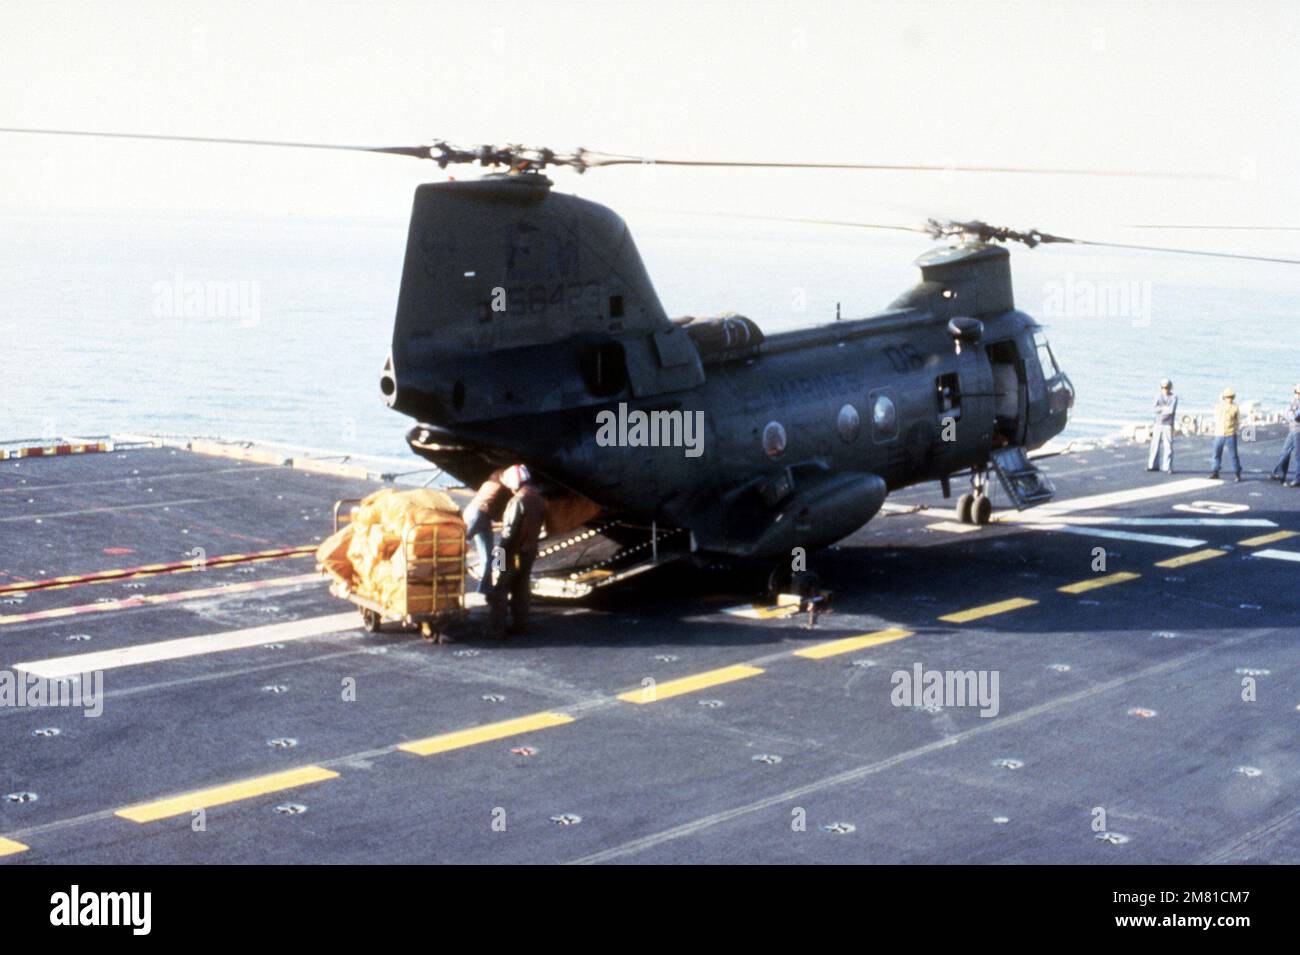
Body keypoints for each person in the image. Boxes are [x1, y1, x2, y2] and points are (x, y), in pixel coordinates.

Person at [488, 465, 545, 637]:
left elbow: (509, 533)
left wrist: (498, 557)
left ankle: (497, 629)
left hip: (513, 552)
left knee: (500, 590)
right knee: (521, 588)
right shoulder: (537, 498)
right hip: (530, 550)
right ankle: (522, 625)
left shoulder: (518, 501)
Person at [462, 467, 510, 595]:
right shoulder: (504, 475)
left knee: (487, 555)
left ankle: (485, 588)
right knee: (459, 546)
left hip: (482, 516)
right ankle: (451, 579)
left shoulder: (494, 476)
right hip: (477, 514)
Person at [1209, 387, 1242, 482]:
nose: (1229, 399)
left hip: (1230, 434)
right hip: (1220, 433)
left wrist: (1235, 430)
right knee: (1216, 454)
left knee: (1233, 455)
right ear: (1224, 398)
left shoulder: (1235, 408)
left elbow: (1238, 421)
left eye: (1230, 397)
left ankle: (1237, 473)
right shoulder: (1219, 406)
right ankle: (1215, 471)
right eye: (1227, 397)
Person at [1270, 384, 1300, 487]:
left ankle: (1298, 479)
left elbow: (1295, 416)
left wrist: (1290, 414)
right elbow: (1288, 413)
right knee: (1285, 452)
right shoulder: (1294, 402)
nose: (1296, 394)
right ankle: (1279, 473)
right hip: (1293, 429)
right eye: (1296, 392)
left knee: (1298, 456)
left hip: (1298, 430)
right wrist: (1290, 414)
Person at [1147, 378, 1177, 473]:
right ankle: (1152, 465)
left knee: (1168, 446)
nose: (1165, 389)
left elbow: (1171, 410)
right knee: (1154, 445)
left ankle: (1167, 467)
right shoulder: (1157, 396)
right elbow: (1154, 409)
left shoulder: (1174, 397)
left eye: (1167, 387)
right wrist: (1164, 408)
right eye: (1164, 387)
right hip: (1158, 424)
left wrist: (1161, 409)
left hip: (1168, 424)